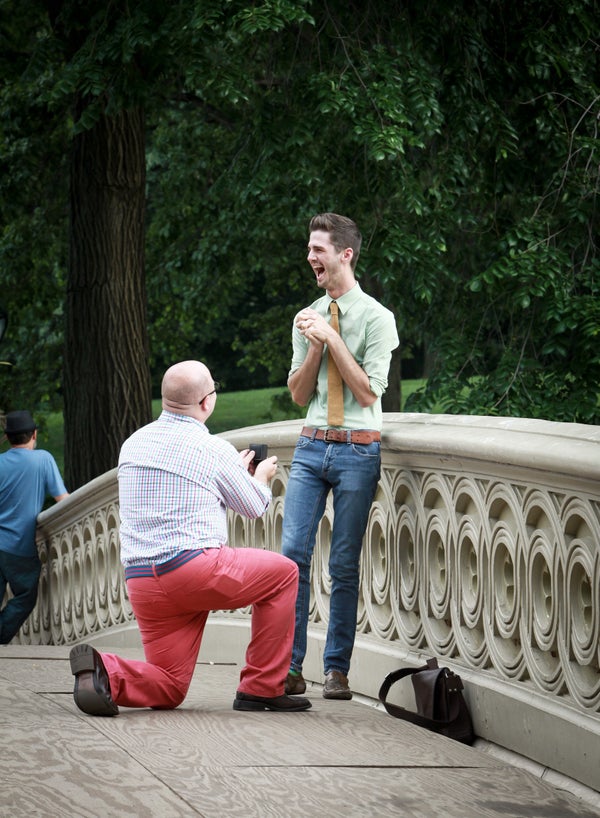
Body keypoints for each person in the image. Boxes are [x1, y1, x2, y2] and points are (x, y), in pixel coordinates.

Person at [69, 360, 311, 716]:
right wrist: (259, 477)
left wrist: (232, 474)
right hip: (193, 570)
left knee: (169, 686)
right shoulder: (213, 448)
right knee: (284, 574)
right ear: (205, 402)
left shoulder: (133, 444)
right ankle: (261, 688)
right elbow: (255, 507)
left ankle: (107, 672)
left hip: (142, 581)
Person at [282, 213, 399, 700]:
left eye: (319, 250)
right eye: (309, 249)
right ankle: (287, 668)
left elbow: (369, 394)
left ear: (345, 254)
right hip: (310, 448)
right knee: (291, 558)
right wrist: (314, 347)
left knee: (344, 564)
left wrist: (333, 339)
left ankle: (336, 671)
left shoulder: (377, 318)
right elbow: (297, 393)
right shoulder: (305, 316)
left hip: (358, 453)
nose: (311, 257)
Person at [0, 410, 69, 644]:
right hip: (18, 547)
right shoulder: (43, 459)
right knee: (26, 595)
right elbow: (63, 500)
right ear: (34, 434)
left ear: (8, 438)